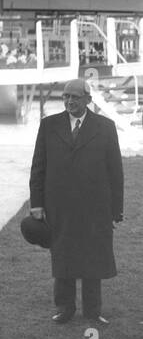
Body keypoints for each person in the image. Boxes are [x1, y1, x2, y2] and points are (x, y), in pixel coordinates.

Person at [29, 77, 123, 326]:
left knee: (93, 257)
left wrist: (116, 210)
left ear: (88, 100)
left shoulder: (105, 127)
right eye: (66, 97)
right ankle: (64, 308)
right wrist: (36, 204)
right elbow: (38, 167)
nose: (70, 102)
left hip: (95, 207)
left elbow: (115, 172)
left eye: (75, 98)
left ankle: (93, 311)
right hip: (59, 206)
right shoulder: (49, 126)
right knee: (63, 256)